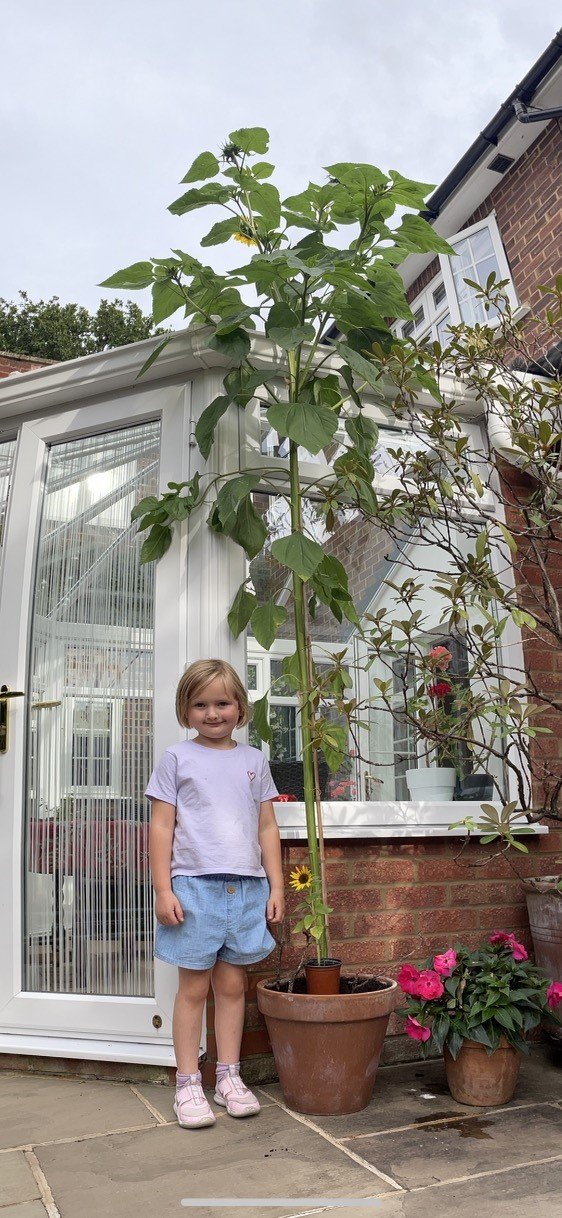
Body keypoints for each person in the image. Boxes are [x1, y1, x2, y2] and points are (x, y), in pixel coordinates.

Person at [146, 658, 284, 1130]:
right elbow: (162, 826)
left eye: (222, 702)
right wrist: (163, 889)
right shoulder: (177, 758)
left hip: (245, 889)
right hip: (195, 889)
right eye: (200, 704)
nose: (212, 713)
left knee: (231, 986)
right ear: (185, 710)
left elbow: (267, 826)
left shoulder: (253, 761)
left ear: (240, 708)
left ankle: (228, 1076)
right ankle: (188, 1082)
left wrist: (276, 886)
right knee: (193, 989)